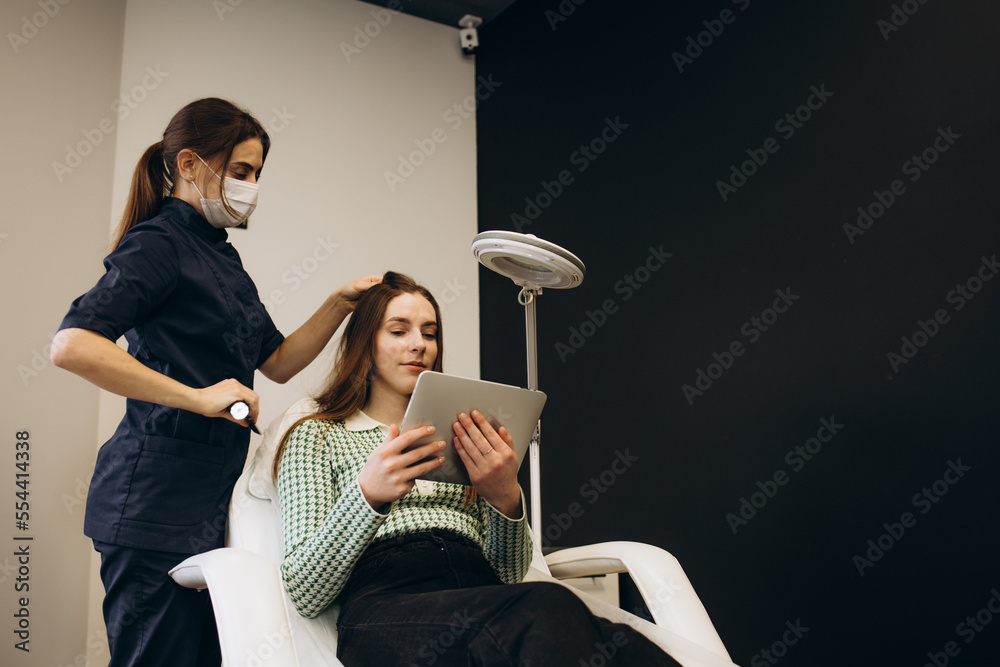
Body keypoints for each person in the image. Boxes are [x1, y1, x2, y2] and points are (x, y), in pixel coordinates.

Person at [51, 97, 380, 667]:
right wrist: (198, 398)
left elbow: (275, 361)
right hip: (153, 502)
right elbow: (72, 344)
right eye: (241, 171)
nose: (251, 186)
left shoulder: (223, 260)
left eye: (257, 174)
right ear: (188, 164)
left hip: (208, 506)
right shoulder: (158, 245)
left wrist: (338, 304)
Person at [274, 271, 682, 666]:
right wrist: (367, 495)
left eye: (429, 333)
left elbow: (507, 575)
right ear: (365, 344)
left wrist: (503, 496)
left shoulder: (464, 434)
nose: (419, 345)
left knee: (625, 646)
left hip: (480, 594)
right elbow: (305, 591)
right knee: (548, 607)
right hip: (388, 606)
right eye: (399, 331)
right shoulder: (318, 435)